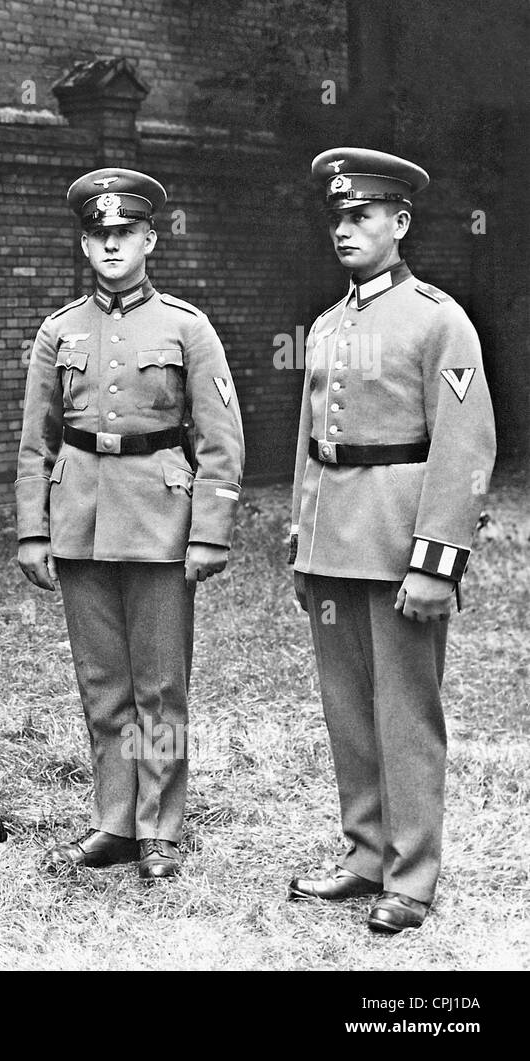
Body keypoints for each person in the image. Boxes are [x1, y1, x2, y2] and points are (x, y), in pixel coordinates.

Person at [286, 148, 496, 933]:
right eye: (336, 216)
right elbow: (312, 440)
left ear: (399, 223)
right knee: (347, 707)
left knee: (405, 711)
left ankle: (410, 876)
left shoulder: (439, 318)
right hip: (334, 538)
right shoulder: (328, 323)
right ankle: (364, 853)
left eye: (360, 215)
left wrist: (437, 561)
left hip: (399, 539)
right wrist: (301, 535)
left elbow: (465, 447)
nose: (343, 228)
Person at [16, 168, 245, 882]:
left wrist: (208, 531)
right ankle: (115, 820)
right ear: (85, 245)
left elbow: (220, 438)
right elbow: (36, 440)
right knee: (102, 681)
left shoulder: (186, 327)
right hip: (80, 518)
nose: (111, 244)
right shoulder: (59, 331)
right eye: (98, 234)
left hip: (159, 518)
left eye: (124, 232)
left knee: (159, 685)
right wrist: (32, 528)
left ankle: (161, 826)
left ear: (149, 238)